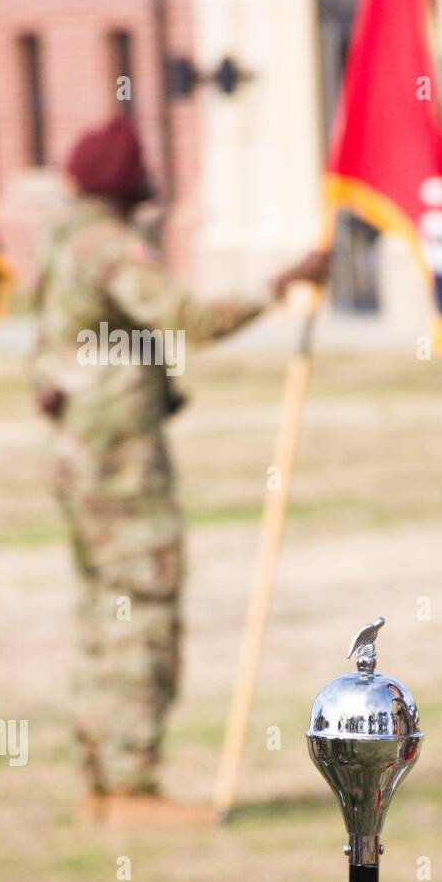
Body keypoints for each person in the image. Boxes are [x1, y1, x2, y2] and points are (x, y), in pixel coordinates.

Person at [31, 116, 327, 824]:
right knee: (143, 602)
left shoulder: (65, 234)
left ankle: (104, 778)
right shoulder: (108, 245)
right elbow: (189, 318)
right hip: (118, 457)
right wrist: (281, 283)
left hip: (81, 449)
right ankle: (131, 783)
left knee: (105, 608)